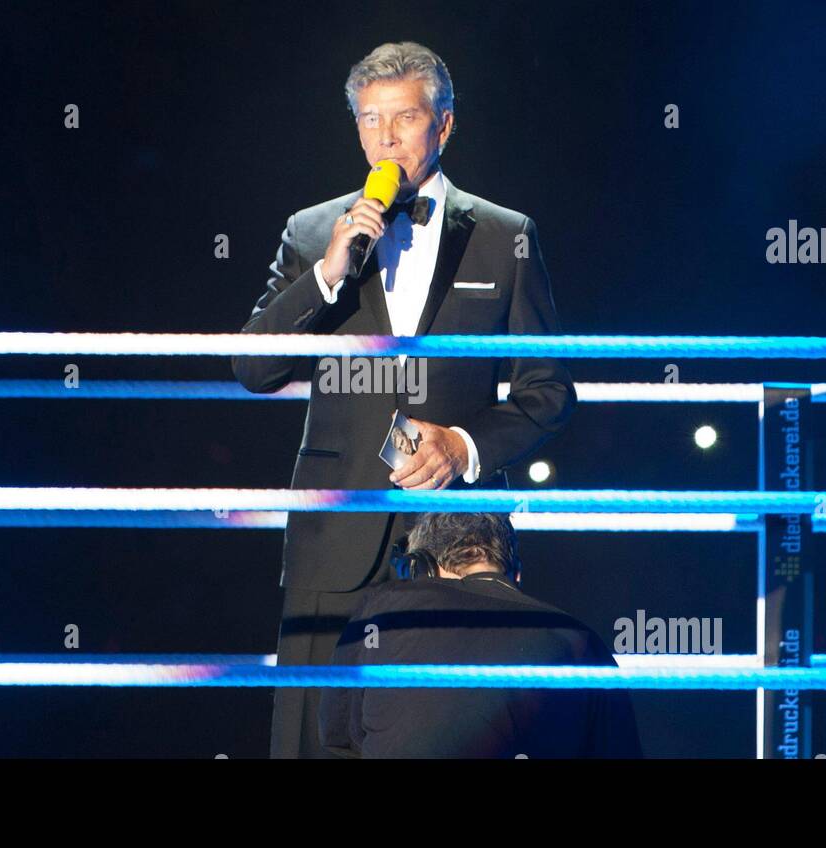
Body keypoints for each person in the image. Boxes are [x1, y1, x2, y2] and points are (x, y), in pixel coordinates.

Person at [231, 42, 576, 758]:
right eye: (369, 121)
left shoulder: (507, 237)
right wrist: (327, 275)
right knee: (317, 743)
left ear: (444, 126)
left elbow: (548, 393)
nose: (385, 139)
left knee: (451, 738)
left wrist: (465, 446)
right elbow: (252, 365)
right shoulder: (311, 231)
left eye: (406, 118)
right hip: (335, 541)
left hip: (457, 541)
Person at [319, 513, 642, 758]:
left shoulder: (383, 608)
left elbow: (337, 732)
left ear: (422, 568)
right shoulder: (580, 639)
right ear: (515, 572)